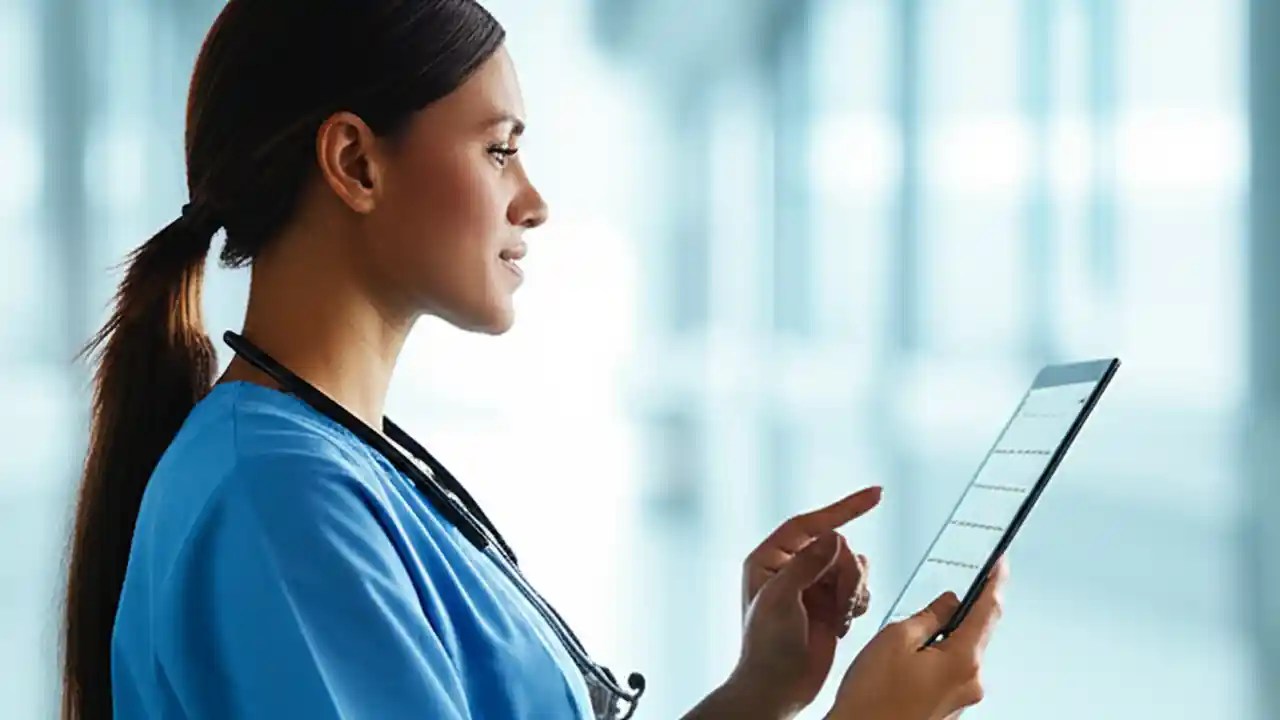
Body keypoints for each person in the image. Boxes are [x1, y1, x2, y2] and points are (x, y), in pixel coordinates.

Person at [61, 1, 1007, 718]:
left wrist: (753, 694)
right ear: (355, 163)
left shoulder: (334, 467)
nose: (535, 202)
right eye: (499, 150)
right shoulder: (280, 502)